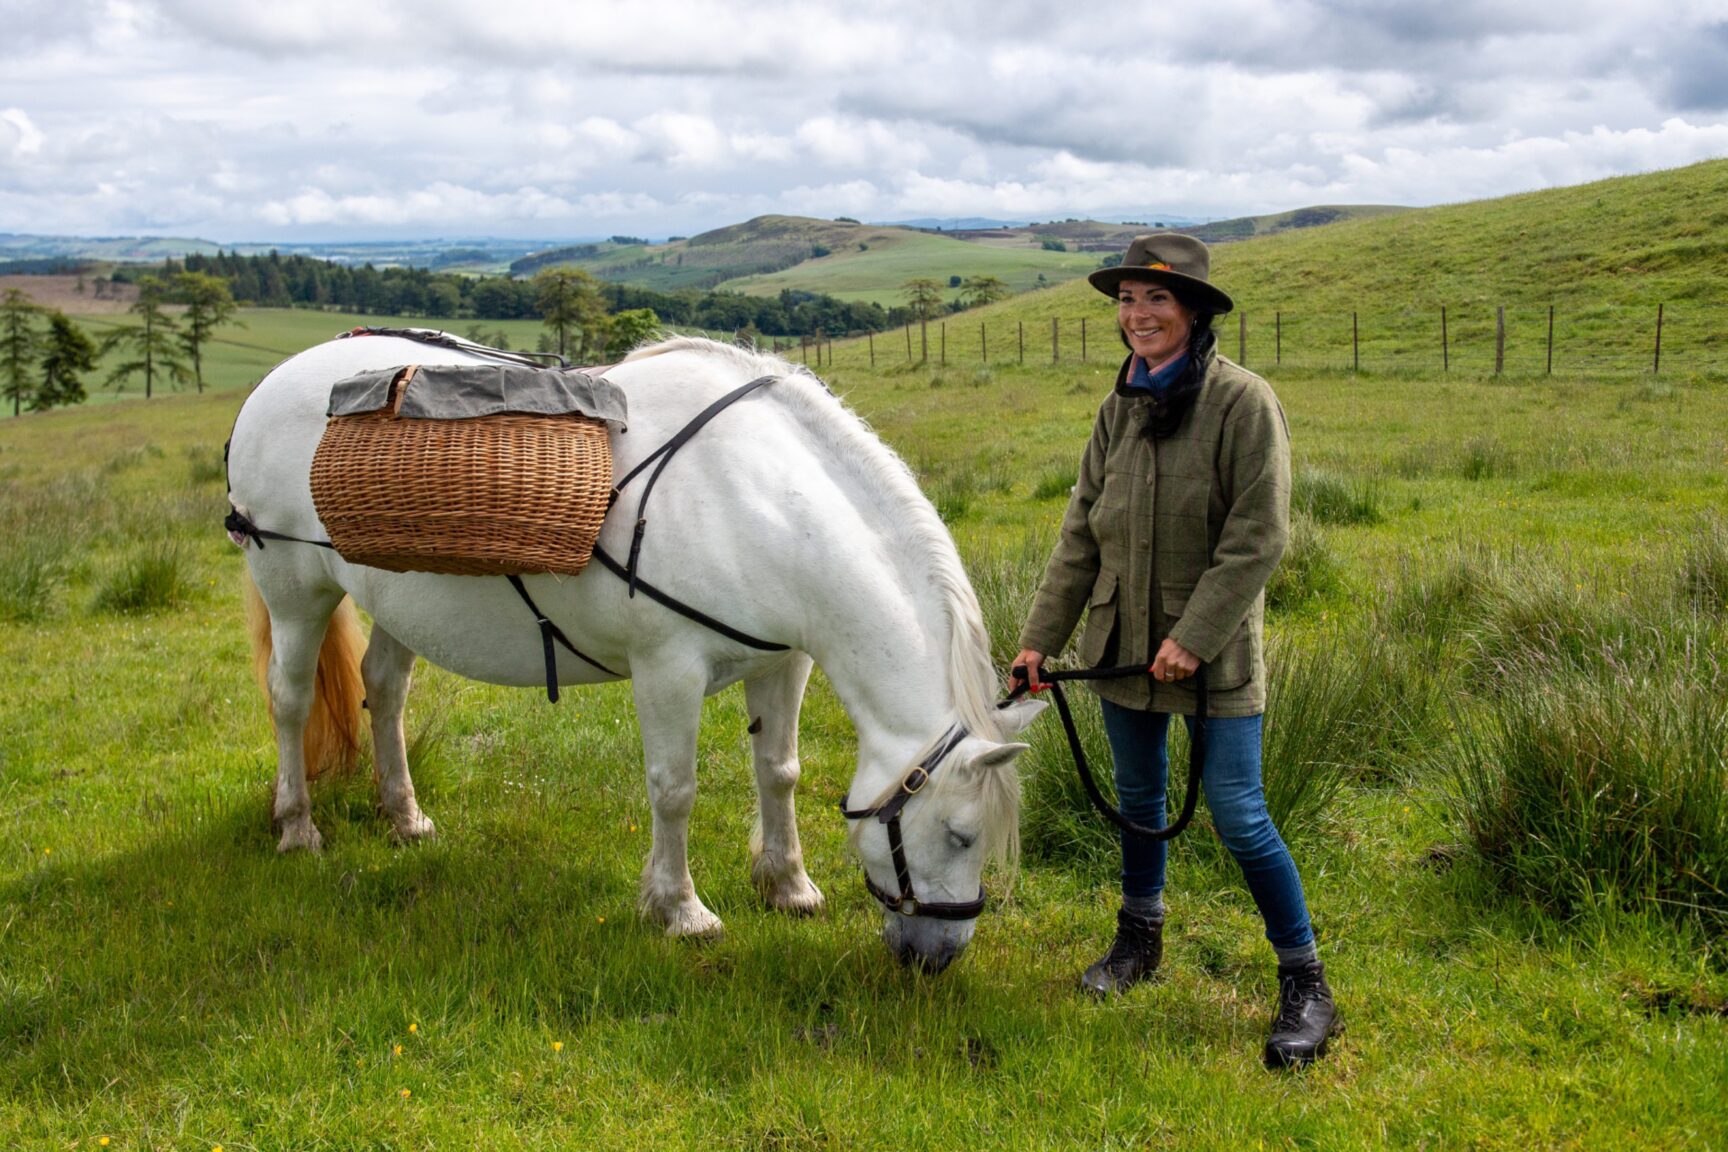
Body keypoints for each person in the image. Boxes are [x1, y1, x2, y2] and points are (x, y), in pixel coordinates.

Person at [1012, 234, 1338, 1069]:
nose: (1137, 315)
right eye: (1126, 300)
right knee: (1137, 802)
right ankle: (1138, 943)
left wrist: (1194, 638)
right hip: (1121, 650)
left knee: (1240, 814)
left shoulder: (1242, 402)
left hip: (1214, 659)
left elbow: (1259, 536)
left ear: (1192, 311)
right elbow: (1081, 531)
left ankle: (1306, 985)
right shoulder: (1118, 407)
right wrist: (1038, 642)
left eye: (1155, 300)